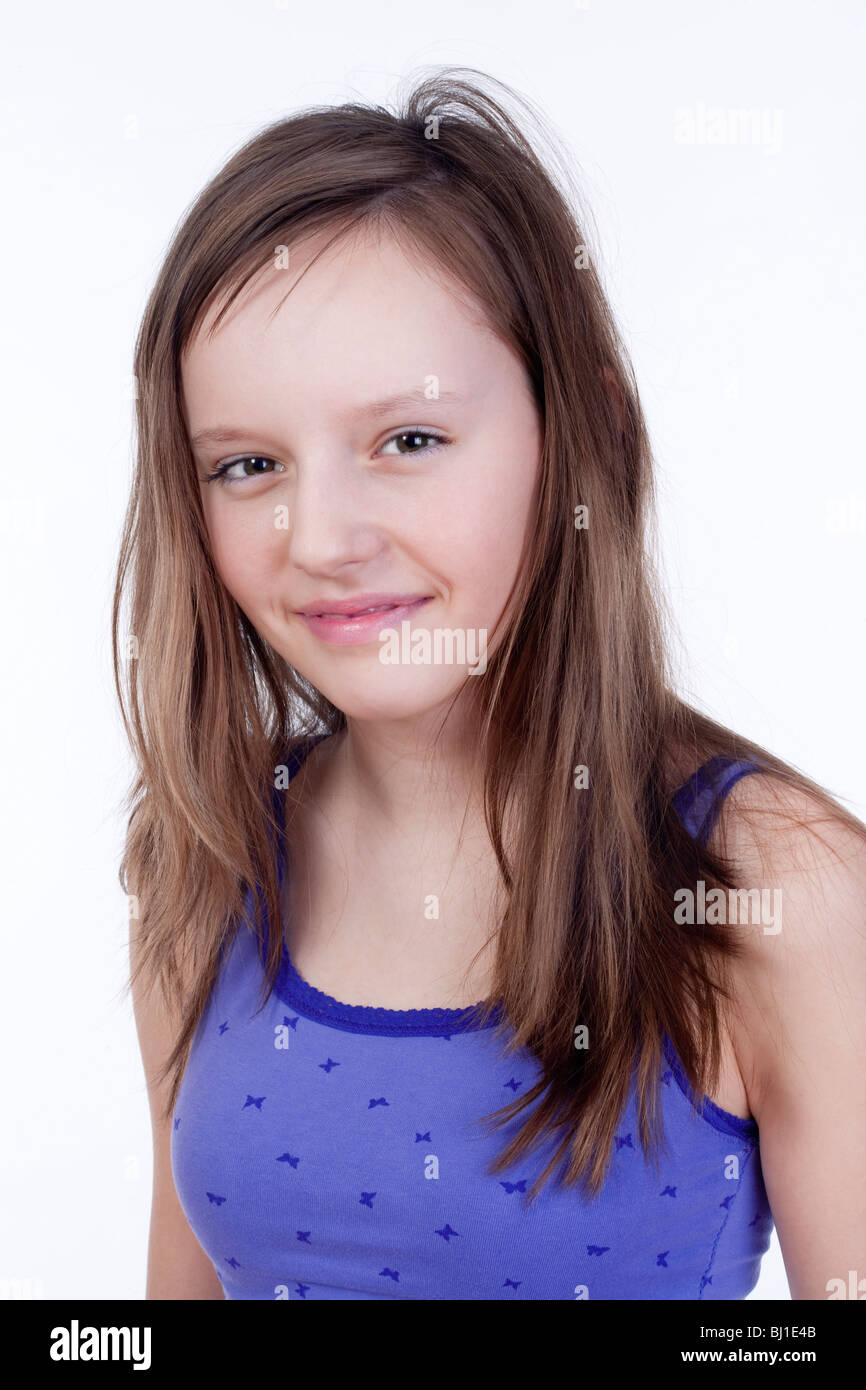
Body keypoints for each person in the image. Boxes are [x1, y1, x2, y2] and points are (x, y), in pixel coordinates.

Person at [115, 67, 866, 1300]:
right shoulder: (205, 859)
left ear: (586, 437)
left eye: (406, 441)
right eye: (247, 463)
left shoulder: (778, 893)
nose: (319, 537)